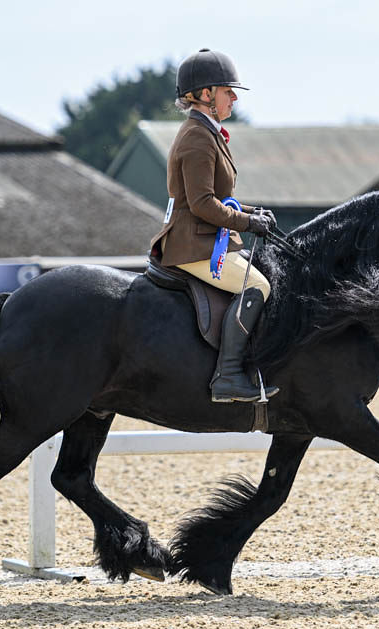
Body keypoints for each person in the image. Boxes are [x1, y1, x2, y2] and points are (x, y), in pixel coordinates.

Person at [149, 48, 279, 403]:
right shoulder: (196, 136)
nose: (234, 97)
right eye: (227, 90)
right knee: (257, 286)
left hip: (206, 239)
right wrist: (249, 223)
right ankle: (229, 376)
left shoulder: (207, 132)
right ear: (206, 95)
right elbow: (203, 204)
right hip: (192, 244)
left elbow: (219, 199)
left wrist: (254, 211)